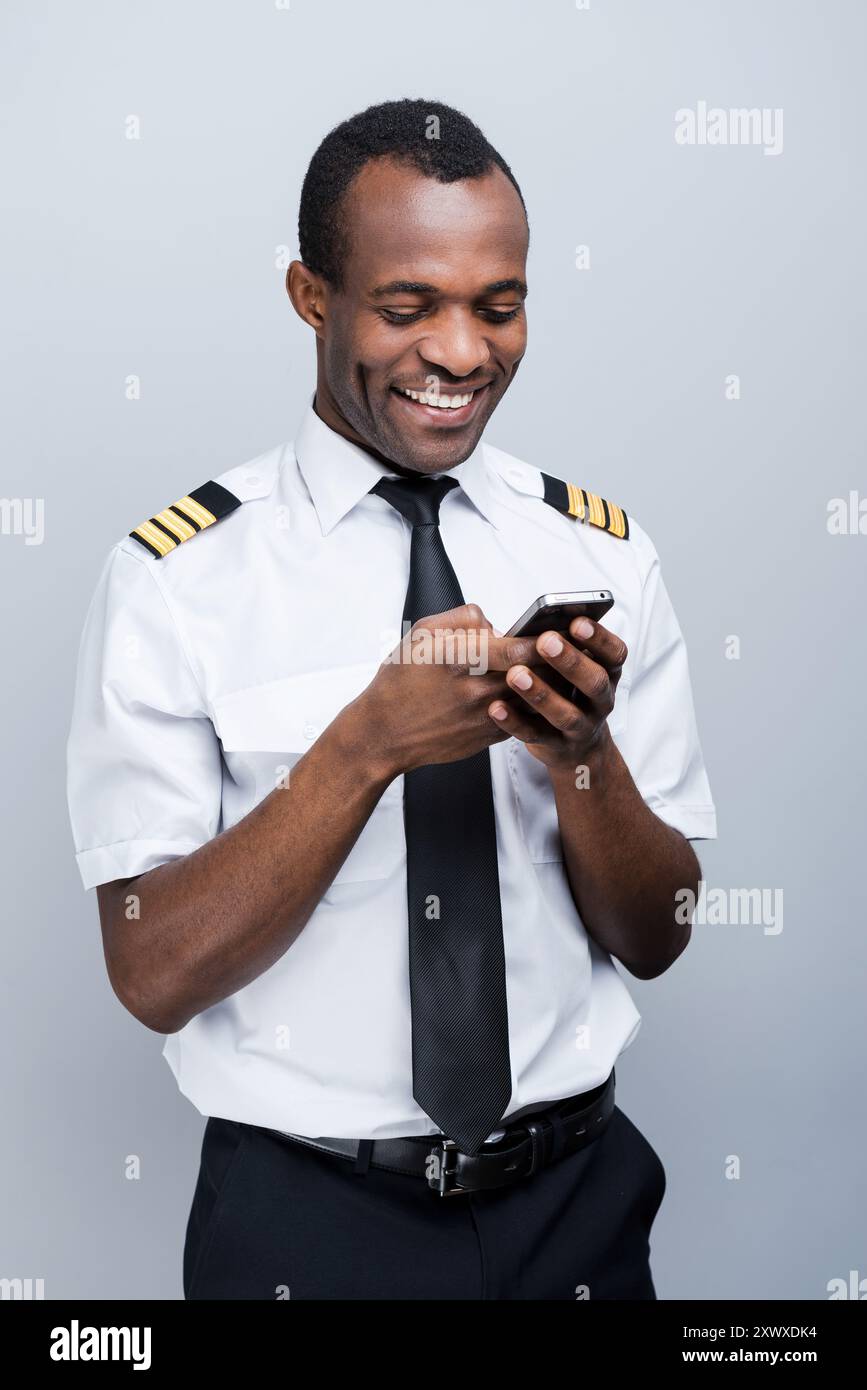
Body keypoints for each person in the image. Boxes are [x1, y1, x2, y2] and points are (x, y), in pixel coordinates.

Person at [66, 98, 717, 1301]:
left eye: (500, 305)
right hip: (307, 1229)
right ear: (311, 297)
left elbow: (659, 932)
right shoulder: (178, 578)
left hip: (576, 1210)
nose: (463, 353)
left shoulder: (604, 553)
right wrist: (364, 749)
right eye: (408, 307)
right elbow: (152, 973)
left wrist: (583, 753)